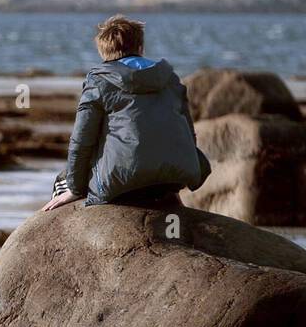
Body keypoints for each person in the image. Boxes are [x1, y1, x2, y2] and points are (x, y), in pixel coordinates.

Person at [42, 15, 210, 212]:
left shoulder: (99, 81)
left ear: (103, 51)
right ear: (140, 47)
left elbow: (81, 141)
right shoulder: (170, 78)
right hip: (174, 180)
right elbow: (189, 134)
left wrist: (76, 189)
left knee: (62, 182)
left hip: (125, 185)